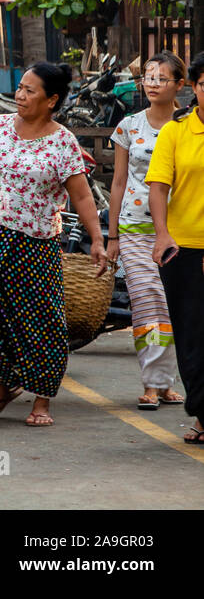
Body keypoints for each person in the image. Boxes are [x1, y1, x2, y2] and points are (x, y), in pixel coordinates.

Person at [0, 63, 108, 428]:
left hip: (35, 245)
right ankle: (10, 379)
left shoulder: (62, 141)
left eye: (30, 90)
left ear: (51, 100)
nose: (19, 95)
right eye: (19, 87)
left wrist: (97, 238)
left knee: (40, 322)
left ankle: (41, 400)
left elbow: (81, 197)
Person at [111, 53, 187, 410]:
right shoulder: (129, 126)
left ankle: (167, 382)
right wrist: (111, 237)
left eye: (161, 78)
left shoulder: (189, 126)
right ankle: (152, 384)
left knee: (173, 306)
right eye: (148, 77)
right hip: (134, 229)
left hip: (181, 228)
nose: (152, 84)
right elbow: (119, 182)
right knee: (147, 302)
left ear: (180, 85)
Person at [146, 52, 204, 445]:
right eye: (203, 82)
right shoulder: (175, 132)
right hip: (184, 250)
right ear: (196, 88)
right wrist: (162, 235)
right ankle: (202, 415)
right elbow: (158, 186)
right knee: (192, 336)